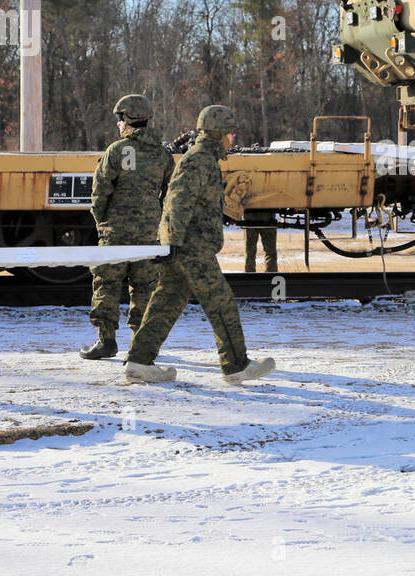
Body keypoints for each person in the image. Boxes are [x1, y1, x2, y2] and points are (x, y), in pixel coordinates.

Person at [121, 105, 276, 385]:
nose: (233, 138)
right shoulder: (200, 160)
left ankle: (139, 362)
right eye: (230, 133)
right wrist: (174, 242)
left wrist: (171, 244)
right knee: (221, 303)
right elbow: (178, 201)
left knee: (165, 304)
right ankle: (236, 365)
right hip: (191, 248)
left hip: (183, 246)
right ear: (218, 133)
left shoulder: (203, 158)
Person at [79, 94, 175, 359]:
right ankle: (139, 345)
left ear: (129, 120)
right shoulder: (163, 155)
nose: (118, 125)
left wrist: (103, 224)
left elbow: (99, 195)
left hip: (115, 236)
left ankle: (106, 341)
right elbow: (170, 197)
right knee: (144, 288)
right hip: (148, 235)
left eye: (120, 119)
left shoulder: (116, 151)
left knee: (107, 284)